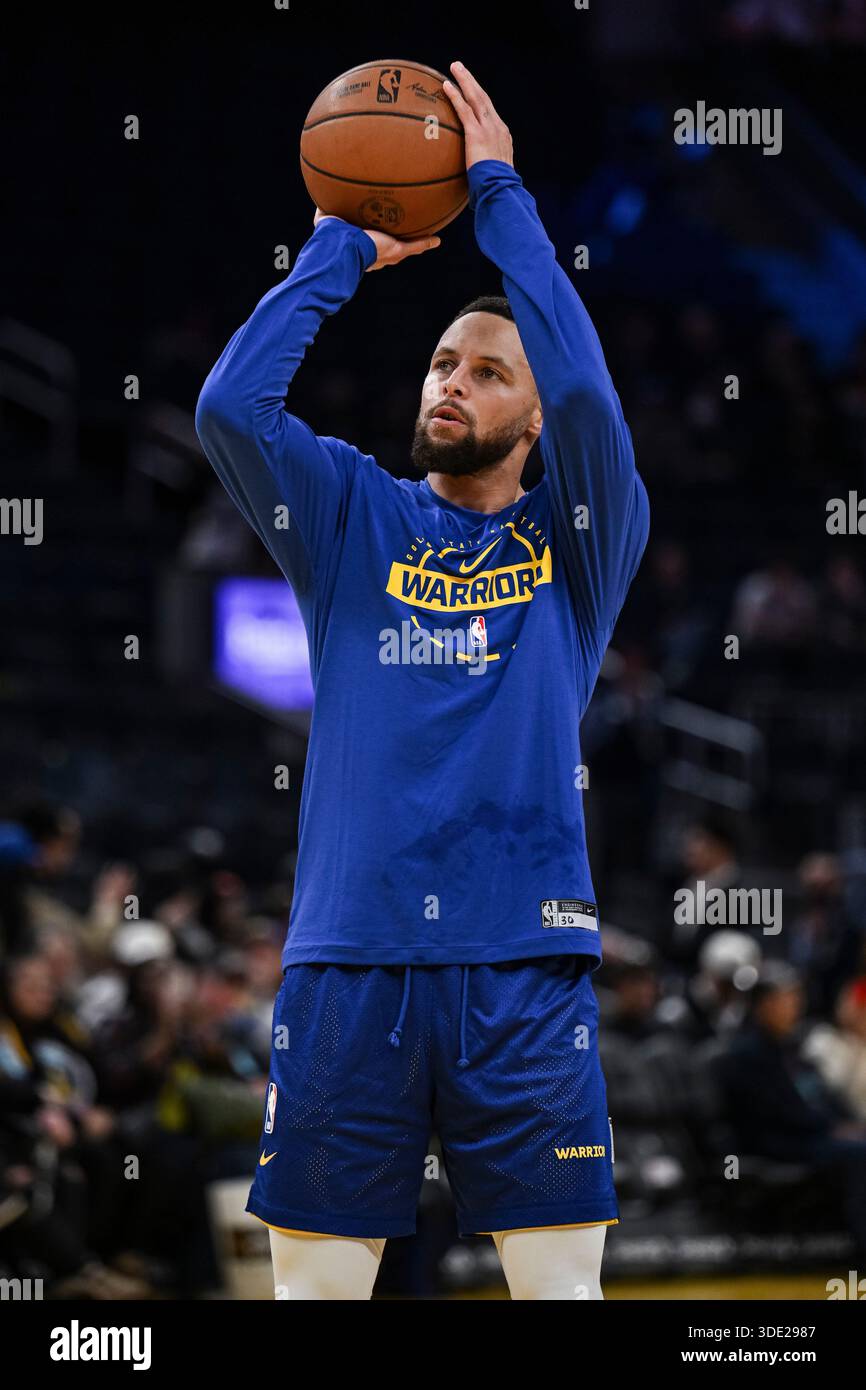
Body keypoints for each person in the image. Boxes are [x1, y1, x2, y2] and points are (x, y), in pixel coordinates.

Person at [195, 61, 649, 1300]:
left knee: (562, 1296)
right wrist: (336, 250)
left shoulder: (576, 540)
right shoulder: (347, 515)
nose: (450, 380)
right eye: (444, 361)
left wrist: (495, 192)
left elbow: (593, 401)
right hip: (347, 962)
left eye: (488, 371)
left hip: (522, 961)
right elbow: (232, 405)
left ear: (534, 414)